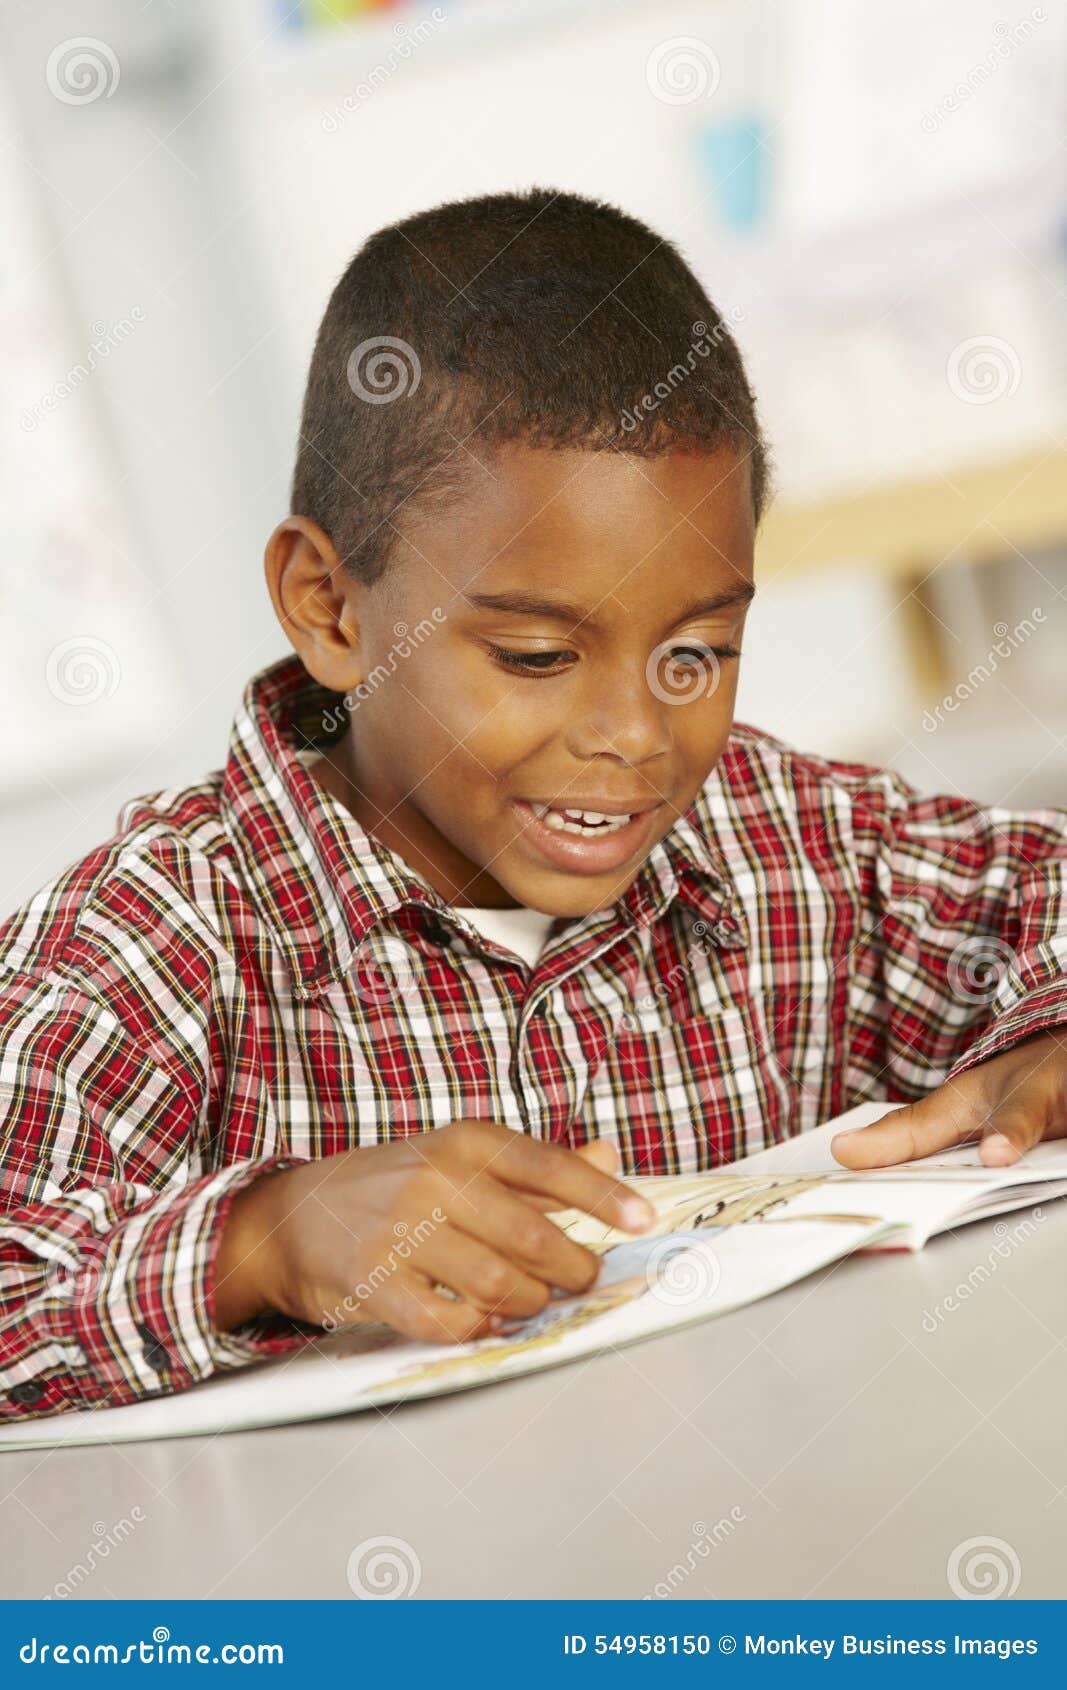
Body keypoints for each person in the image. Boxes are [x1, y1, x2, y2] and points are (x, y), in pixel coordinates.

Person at [1, 187, 1064, 1423]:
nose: (631, 737)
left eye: (694, 654)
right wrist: (263, 1240)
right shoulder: (154, 940)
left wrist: (1044, 1040)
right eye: (536, 658)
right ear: (330, 608)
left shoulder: (786, 843)